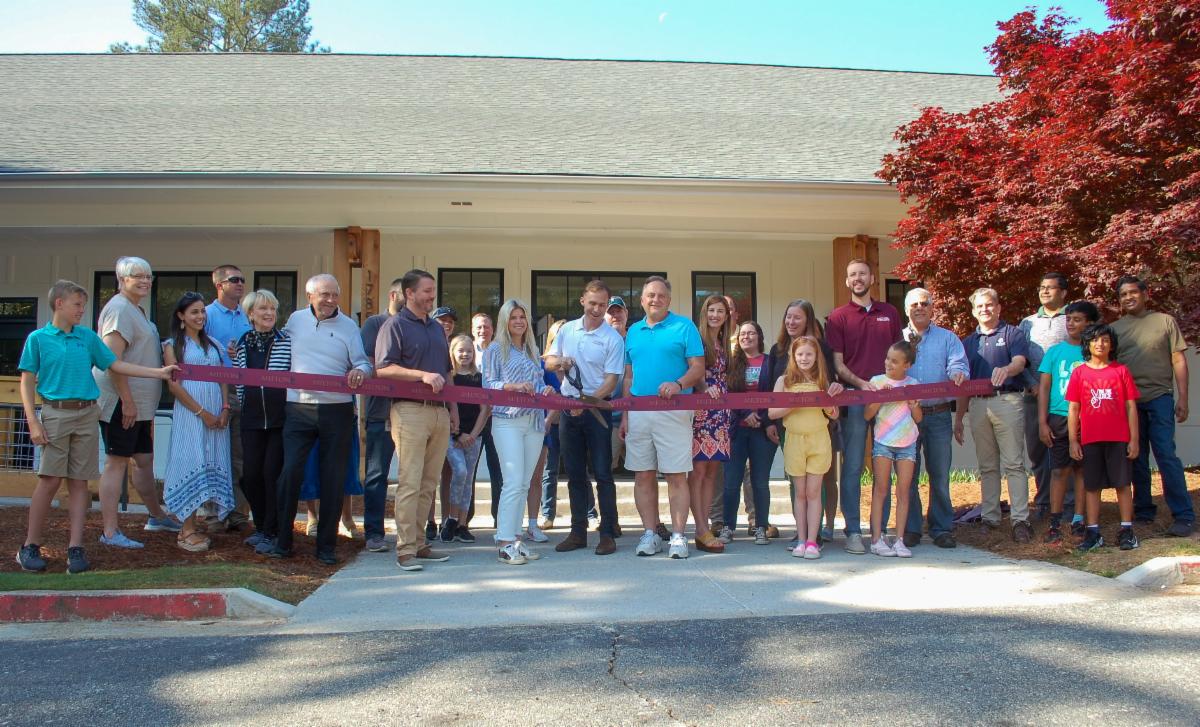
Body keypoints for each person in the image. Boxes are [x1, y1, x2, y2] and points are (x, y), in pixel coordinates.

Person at [16, 281, 175, 574]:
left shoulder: (87, 338)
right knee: (50, 480)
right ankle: (30, 546)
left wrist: (158, 373)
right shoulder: (38, 339)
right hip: (55, 414)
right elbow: (26, 381)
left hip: (87, 414)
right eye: (77, 304)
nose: (82, 310)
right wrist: (33, 422)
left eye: (83, 305)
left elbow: (115, 365)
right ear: (59, 304)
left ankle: (76, 549)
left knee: (80, 483)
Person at [269, 274, 371, 566]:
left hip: (336, 411)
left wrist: (361, 372)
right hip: (298, 409)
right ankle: (283, 541)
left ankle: (327, 546)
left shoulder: (349, 326)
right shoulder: (295, 321)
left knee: (333, 478)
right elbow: (277, 352)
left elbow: (362, 361)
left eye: (334, 294)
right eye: (323, 294)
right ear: (309, 295)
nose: (329, 300)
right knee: (289, 474)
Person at [94, 256, 181, 548]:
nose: (144, 281)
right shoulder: (119, 310)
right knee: (116, 463)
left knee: (143, 461)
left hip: (142, 405)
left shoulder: (137, 310)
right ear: (121, 280)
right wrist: (127, 401)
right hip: (122, 403)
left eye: (148, 276)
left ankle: (156, 516)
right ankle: (109, 532)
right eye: (136, 276)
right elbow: (111, 362)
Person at [375, 269, 456, 571]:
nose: (431, 296)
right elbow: (382, 369)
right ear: (409, 293)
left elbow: (447, 373)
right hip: (409, 410)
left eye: (433, 291)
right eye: (426, 291)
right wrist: (421, 375)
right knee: (409, 481)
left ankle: (420, 543)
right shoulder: (394, 325)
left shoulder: (436, 328)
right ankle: (405, 549)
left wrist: (453, 409)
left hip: (439, 412)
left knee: (429, 482)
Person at [621, 276, 705, 559]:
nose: (654, 299)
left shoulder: (685, 326)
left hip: (674, 411)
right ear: (642, 300)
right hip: (638, 414)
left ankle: (679, 537)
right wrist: (625, 415)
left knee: (675, 475)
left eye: (660, 295)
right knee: (643, 475)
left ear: (668, 300)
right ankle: (650, 533)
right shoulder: (633, 331)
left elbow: (697, 368)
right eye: (649, 295)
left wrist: (678, 384)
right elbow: (628, 376)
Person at [825, 259, 903, 554]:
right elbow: (837, 363)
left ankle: (880, 531)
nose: (857, 279)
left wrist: (887, 384)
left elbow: (899, 357)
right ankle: (854, 531)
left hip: (887, 402)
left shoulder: (890, 313)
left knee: (885, 465)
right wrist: (861, 384)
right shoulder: (838, 317)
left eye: (862, 274)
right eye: (852, 275)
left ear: (872, 278)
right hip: (855, 400)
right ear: (847, 282)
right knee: (853, 466)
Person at [1110, 276, 1194, 537]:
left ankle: (1184, 516)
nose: (1128, 298)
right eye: (1123, 294)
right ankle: (1144, 511)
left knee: (1166, 455)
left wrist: (1183, 398)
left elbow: (1178, 360)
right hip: (1128, 403)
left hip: (1160, 398)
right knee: (1135, 458)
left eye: (1133, 292)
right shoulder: (1114, 329)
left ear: (1145, 294)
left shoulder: (1164, 321)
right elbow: (1109, 369)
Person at [546, 280, 624, 555]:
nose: (597, 309)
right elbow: (549, 362)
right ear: (582, 301)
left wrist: (587, 403)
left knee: (603, 474)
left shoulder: (613, 338)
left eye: (602, 305)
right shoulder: (567, 330)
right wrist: (561, 363)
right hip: (569, 411)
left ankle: (607, 533)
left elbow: (612, 380)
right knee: (575, 474)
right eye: (592, 303)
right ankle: (578, 532)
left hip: (597, 412)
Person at [955, 287, 1033, 543]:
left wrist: (1007, 369)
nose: (984, 310)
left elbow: (1020, 362)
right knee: (987, 466)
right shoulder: (968, 343)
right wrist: (959, 418)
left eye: (989, 305)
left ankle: (1020, 520)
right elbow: (963, 383)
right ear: (974, 311)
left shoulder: (1013, 334)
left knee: (1014, 464)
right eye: (979, 306)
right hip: (977, 406)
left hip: (1007, 401)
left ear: (998, 307)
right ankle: (990, 518)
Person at [161, 292, 236, 553]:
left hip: (217, 415)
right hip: (190, 415)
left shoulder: (213, 344)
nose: (200, 316)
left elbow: (222, 378)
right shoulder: (172, 345)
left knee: (209, 461)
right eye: (194, 312)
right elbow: (174, 386)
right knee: (191, 460)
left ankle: (200, 523)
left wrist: (225, 408)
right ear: (181, 316)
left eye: (203, 311)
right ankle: (186, 530)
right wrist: (202, 412)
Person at [483, 298, 555, 565]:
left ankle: (515, 538)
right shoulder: (494, 350)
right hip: (507, 421)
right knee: (512, 481)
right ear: (505, 320)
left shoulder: (532, 351)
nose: (519, 321)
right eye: (513, 317)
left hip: (534, 423)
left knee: (524, 483)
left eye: (522, 317)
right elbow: (488, 385)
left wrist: (546, 390)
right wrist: (512, 387)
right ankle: (503, 541)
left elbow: (537, 384)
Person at [761, 299, 836, 546]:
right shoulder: (778, 350)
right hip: (788, 427)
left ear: (808, 320)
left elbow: (830, 388)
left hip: (817, 428)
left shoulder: (822, 349)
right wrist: (769, 422)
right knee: (797, 483)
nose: (791, 322)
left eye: (797, 317)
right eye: (788, 317)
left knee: (816, 484)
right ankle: (800, 534)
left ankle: (816, 534)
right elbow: (771, 391)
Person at [900, 288, 968, 549]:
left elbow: (958, 364)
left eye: (924, 303)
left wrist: (958, 374)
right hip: (906, 418)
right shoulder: (898, 340)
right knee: (909, 476)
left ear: (932, 308)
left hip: (939, 415)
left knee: (939, 476)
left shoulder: (948, 338)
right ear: (907, 309)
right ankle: (912, 529)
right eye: (914, 304)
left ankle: (941, 528)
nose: (919, 307)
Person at [1066, 324, 1141, 552]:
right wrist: (1073, 440)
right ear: (1088, 344)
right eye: (1096, 340)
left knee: (1122, 483)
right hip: (1090, 439)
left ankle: (1126, 530)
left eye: (1105, 340)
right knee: (1092, 485)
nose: (1100, 344)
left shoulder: (1121, 371)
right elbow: (1073, 409)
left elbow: (1130, 407)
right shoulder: (1080, 373)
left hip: (1118, 438)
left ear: (1111, 344)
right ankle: (1093, 531)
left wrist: (1134, 439)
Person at [768, 337, 842, 560]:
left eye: (809, 354)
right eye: (800, 354)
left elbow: (834, 413)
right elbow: (772, 413)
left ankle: (812, 541)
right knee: (799, 493)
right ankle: (800, 539)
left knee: (813, 492)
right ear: (793, 356)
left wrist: (827, 402)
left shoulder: (823, 380)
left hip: (818, 439)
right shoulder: (784, 380)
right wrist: (793, 402)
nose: (804, 358)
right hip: (794, 440)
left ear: (816, 356)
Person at [233, 289, 292, 555]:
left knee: (271, 475)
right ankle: (261, 527)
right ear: (250, 314)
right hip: (252, 418)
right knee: (252, 475)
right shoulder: (243, 342)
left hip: (280, 419)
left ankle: (273, 531)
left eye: (272, 309)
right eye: (262, 309)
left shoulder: (286, 340)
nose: (269, 314)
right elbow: (241, 381)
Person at [1038, 300, 1099, 543]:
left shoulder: (1093, 352)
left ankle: (1078, 518)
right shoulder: (1054, 352)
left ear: (1090, 323)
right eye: (1068, 319)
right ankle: (1055, 519)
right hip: (1059, 418)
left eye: (1077, 319)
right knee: (1059, 470)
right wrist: (1042, 422)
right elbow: (1044, 388)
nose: (1071, 323)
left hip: (1089, 419)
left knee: (1082, 469)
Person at [204, 264, 252, 531]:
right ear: (219, 285)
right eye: (234, 280)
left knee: (240, 456)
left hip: (243, 390)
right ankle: (213, 516)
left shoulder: (246, 316)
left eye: (243, 280)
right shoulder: (206, 315)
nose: (240, 284)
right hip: (215, 390)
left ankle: (238, 514)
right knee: (215, 454)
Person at [720, 321, 777, 545]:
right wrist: (746, 414)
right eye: (743, 334)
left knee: (760, 482)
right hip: (736, 430)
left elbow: (775, 392)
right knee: (731, 482)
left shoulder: (770, 362)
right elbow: (727, 393)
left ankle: (761, 526)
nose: (747, 337)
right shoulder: (732, 363)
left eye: (751, 333)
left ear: (759, 337)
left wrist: (761, 418)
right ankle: (727, 527)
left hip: (763, 430)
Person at [865, 341, 923, 558]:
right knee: (881, 489)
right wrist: (880, 397)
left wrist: (913, 404)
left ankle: (899, 540)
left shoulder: (913, 384)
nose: (889, 363)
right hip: (883, 441)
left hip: (907, 443)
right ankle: (876, 539)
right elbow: (867, 415)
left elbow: (918, 418)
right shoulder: (877, 381)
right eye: (888, 358)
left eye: (895, 361)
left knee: (903, 491)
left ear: (906, 365)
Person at [359, 278, 404, 552]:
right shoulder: (375, 324)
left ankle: (411, 533)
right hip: (380, 412)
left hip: (411, 410)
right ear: (393, 294)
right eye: (405, 293)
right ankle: (374, 532)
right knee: (377, 475)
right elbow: (367, 363)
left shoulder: (415, 326)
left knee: (414, 476)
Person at [1020, 273, 1070, 518]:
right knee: (1037, 451)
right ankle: (1043, 502)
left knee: (1067, 449)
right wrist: (1031, 384)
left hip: (1065, 399)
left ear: (1063, 293)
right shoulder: (1027, 323)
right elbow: (1020, 359)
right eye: (1042, 287)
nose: (1045, 292)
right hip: (1033, 395)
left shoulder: (1073, 319)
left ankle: (1068, 505)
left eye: (1051, 288)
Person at [690, 294, 733, 553]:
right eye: (711, 310)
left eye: (720, 311)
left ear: (727, 316)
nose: (715, 315)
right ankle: (700, 527)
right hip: (700, 412)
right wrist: (705, 388)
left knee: (711, 473)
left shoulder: (724, 343)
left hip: (721, 415)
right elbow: (693, 372)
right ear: (704, 313)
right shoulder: (697, 338)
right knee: (697, 472)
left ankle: (703, 528)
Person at [442, 334, 490, 541]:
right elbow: (445, 408)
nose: (465, 354)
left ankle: (462, 524)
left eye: (469, 351)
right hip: (452, 437)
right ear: (452, 352)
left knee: (468, 479)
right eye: (461, 350)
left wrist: (473, 434)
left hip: (474, 437)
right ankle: (451, 518)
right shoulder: (448, 377)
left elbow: (485, 409)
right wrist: (458, 433)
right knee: (459, 472)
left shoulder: (479, 378)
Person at [470, 311, 504, 525]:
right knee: (468, 470)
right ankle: (465, 518)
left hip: (496, 418)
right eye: (479, 327)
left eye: (487, 327)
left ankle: (499, 517)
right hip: (471, 419)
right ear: (472, 330)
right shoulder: (464, 352)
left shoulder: (500, 352)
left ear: (493, 329)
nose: (483, 331)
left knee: (498, 470)